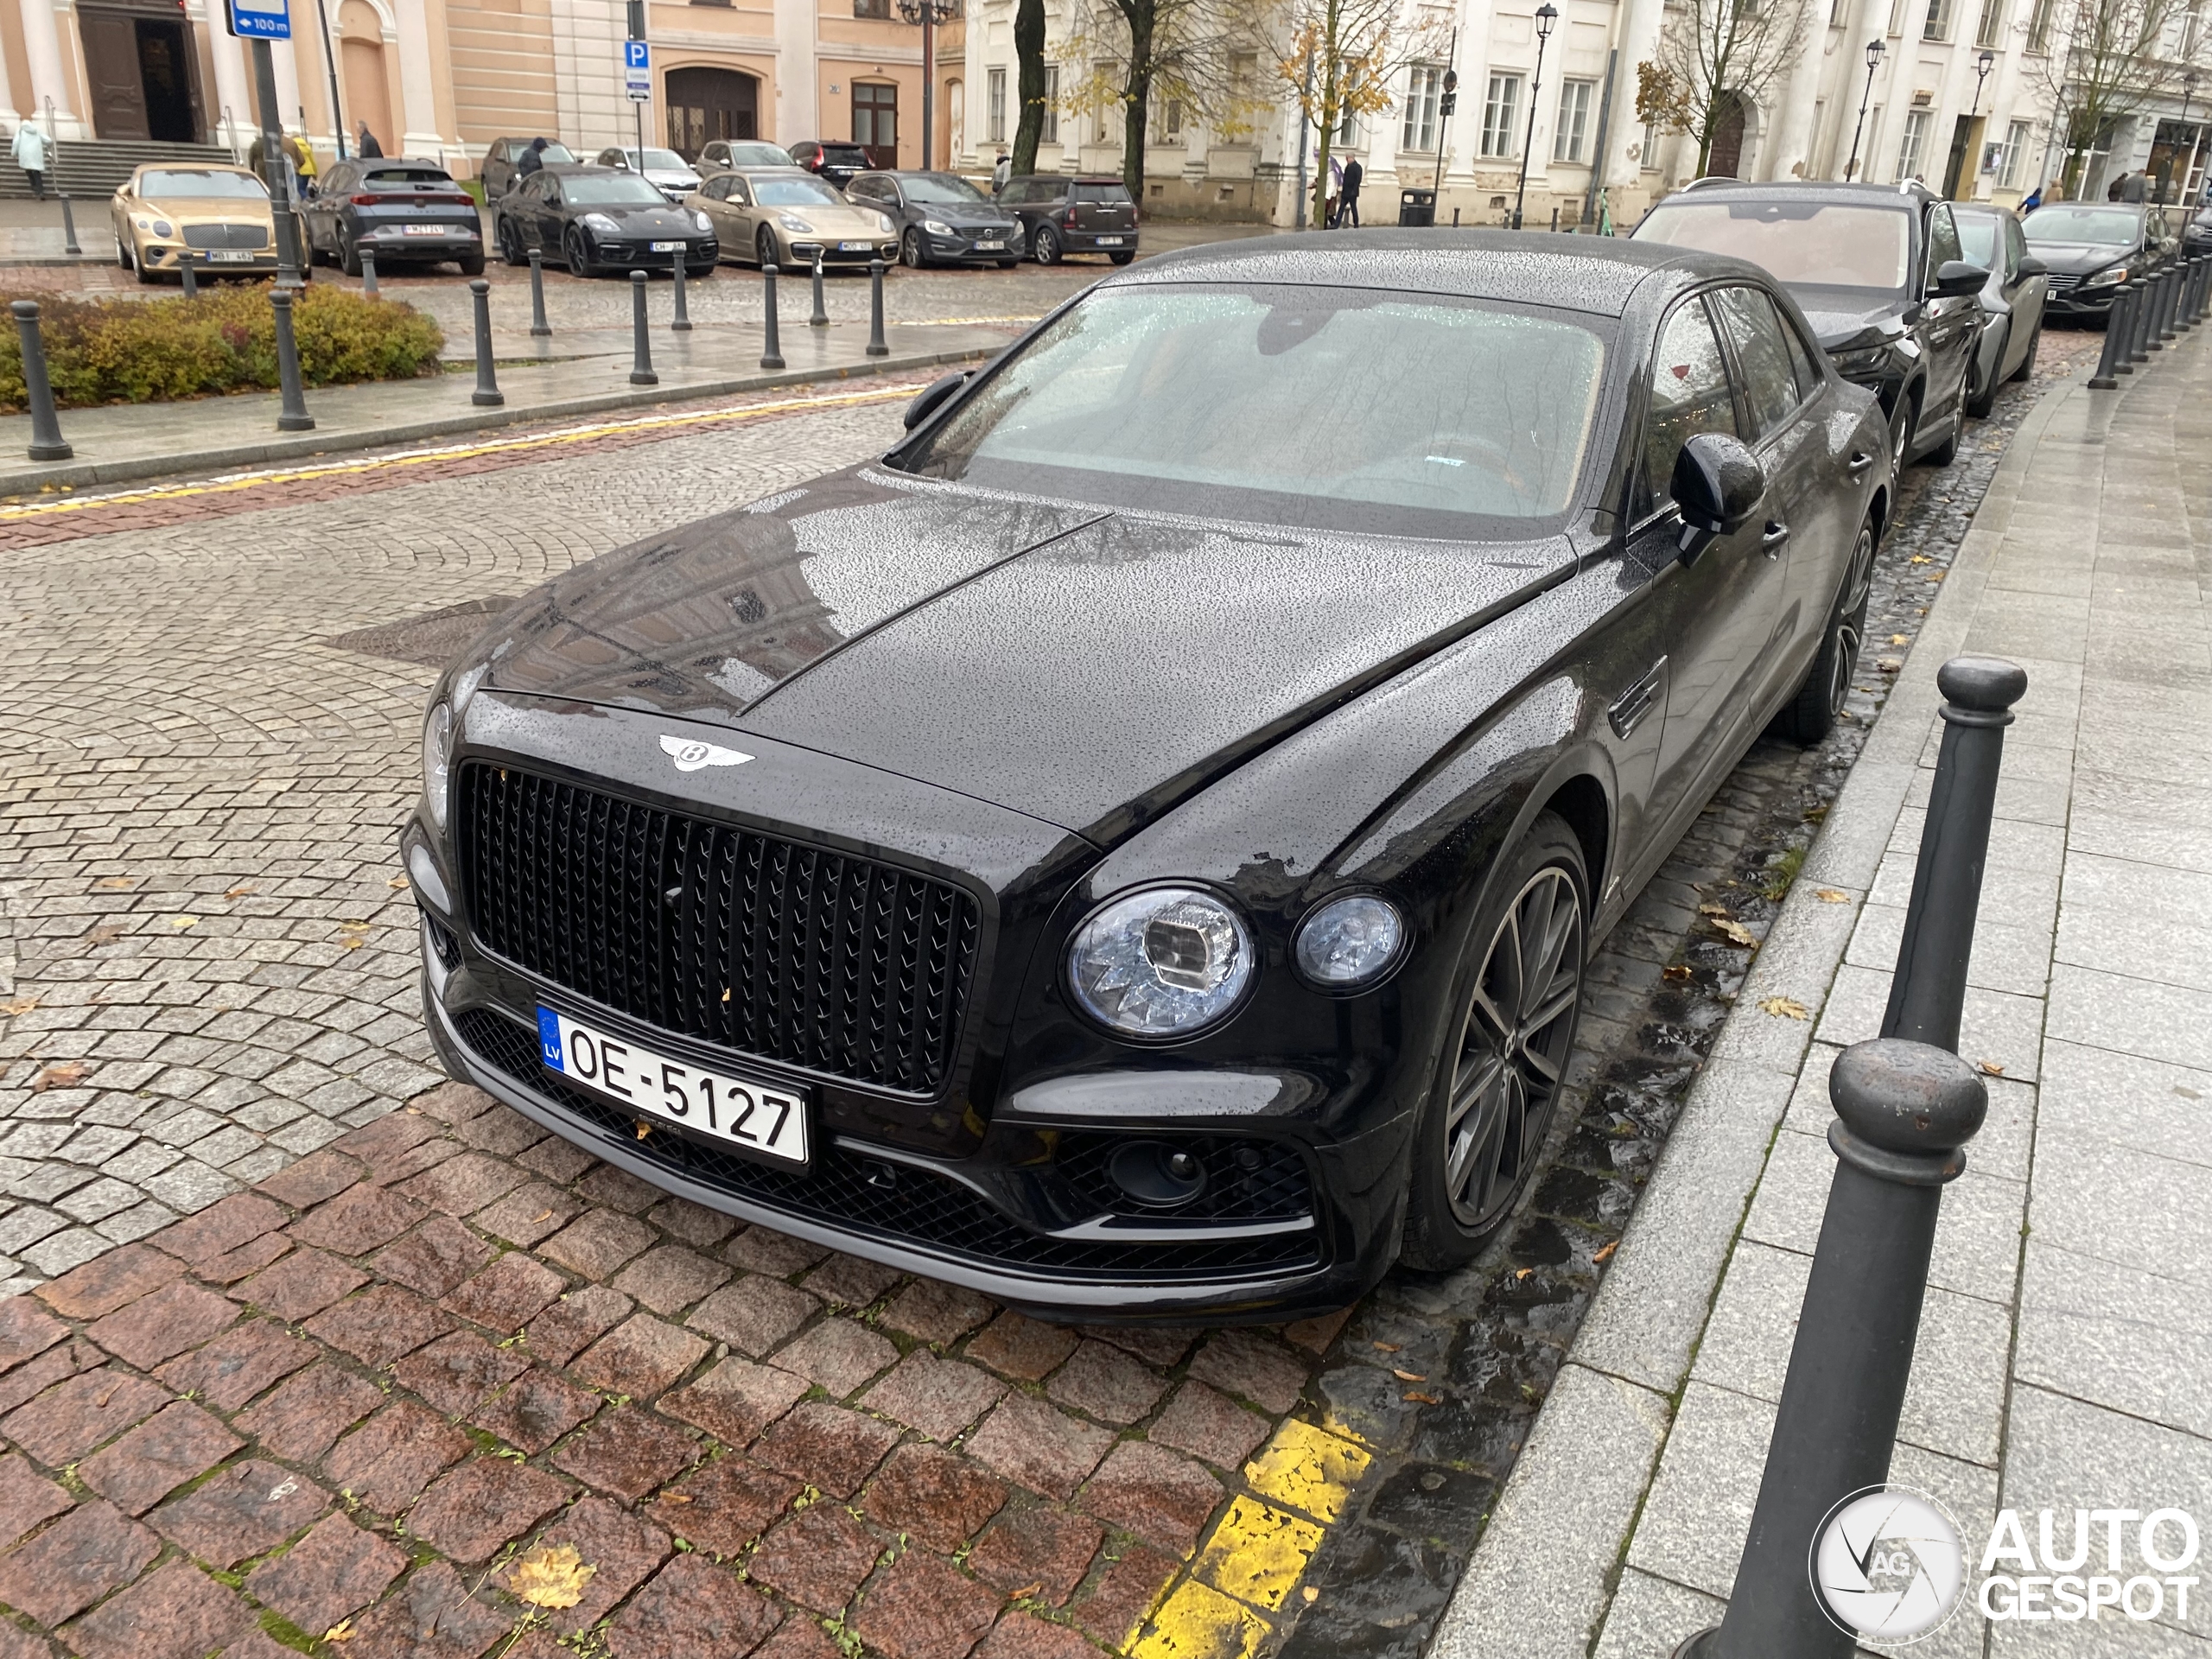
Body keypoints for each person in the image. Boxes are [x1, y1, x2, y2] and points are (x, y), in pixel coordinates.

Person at [10, 120, 49, 201]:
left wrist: (13, 153)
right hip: (36, 155)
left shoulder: (20, 131)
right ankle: (40, 191)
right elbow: (47, 140)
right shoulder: (37, 130)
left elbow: (16, 143)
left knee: (28, 171)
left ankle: (34, 187)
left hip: (25, 155)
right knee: (37, 173)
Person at [1339, 154, 1363, 228]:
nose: (1347, 160)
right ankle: (1336, 224)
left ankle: (1356, 224)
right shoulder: (1348, 167)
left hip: (1352, 192)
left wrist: (1354, 191)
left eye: (1348, 158)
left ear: (1352, 158)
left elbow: (1358, 180)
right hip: (1346, 192)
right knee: (1341, 208)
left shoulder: (1357, 167)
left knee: (1353, 208)